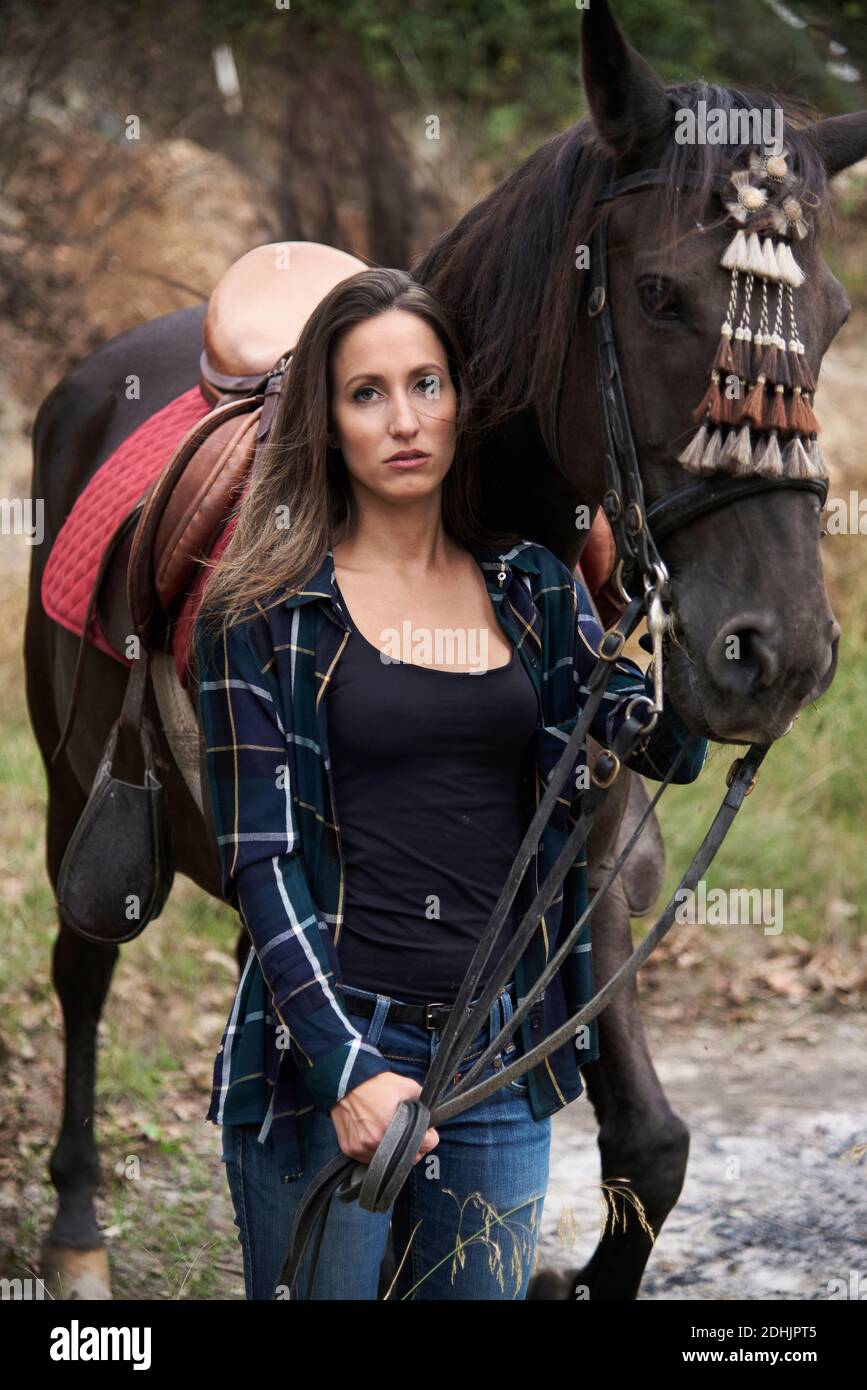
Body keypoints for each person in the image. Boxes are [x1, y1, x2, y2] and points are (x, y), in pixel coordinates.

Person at [193, 266, 708, 1301]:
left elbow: (663, 746)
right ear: (326, 419)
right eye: (367, 393)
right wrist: (348, 1069)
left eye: (427, 384)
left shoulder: (533, 590)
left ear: (461, 402)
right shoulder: (264, 612)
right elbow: (261, 861)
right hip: (328, 1055)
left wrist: (709, 631)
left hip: (497, 1057)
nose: (404, 420)